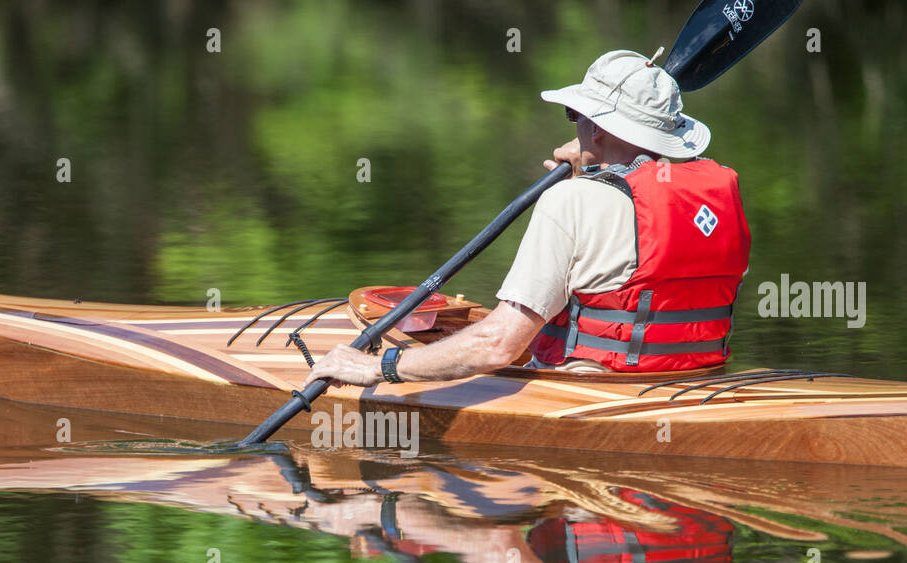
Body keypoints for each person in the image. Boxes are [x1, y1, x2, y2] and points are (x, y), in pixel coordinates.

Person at [303, 49, 750, 389]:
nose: (572, 126)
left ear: (596, 128)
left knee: (371, 515)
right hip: (696, 382)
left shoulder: (571, 199)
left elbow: (498, 345)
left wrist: (380, 366)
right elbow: (646, 188)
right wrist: (602, 162)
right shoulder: (719, 193)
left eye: (575, 115)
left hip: (591, 391)